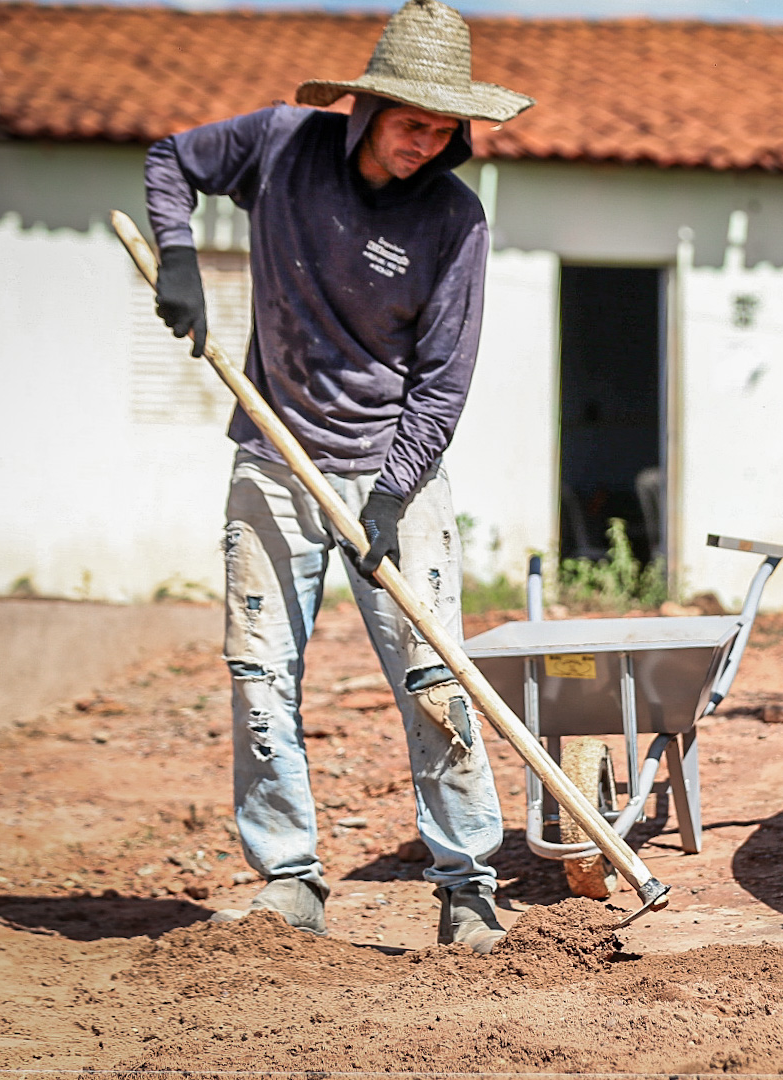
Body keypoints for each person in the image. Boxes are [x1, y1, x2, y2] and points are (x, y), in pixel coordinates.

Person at [142, 0, 533, 952]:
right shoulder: (280, 147)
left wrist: (395, 492)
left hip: (396, 473)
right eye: (411, 123)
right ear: (364, 110)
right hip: (273, 459)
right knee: (259, 673)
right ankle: (290, 881)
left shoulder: (455, 219)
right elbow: (170, 162)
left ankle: (468, 883)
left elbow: (444, 378)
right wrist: (180, 253)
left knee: (434, 678)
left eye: (445, 129)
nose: (426, 143)